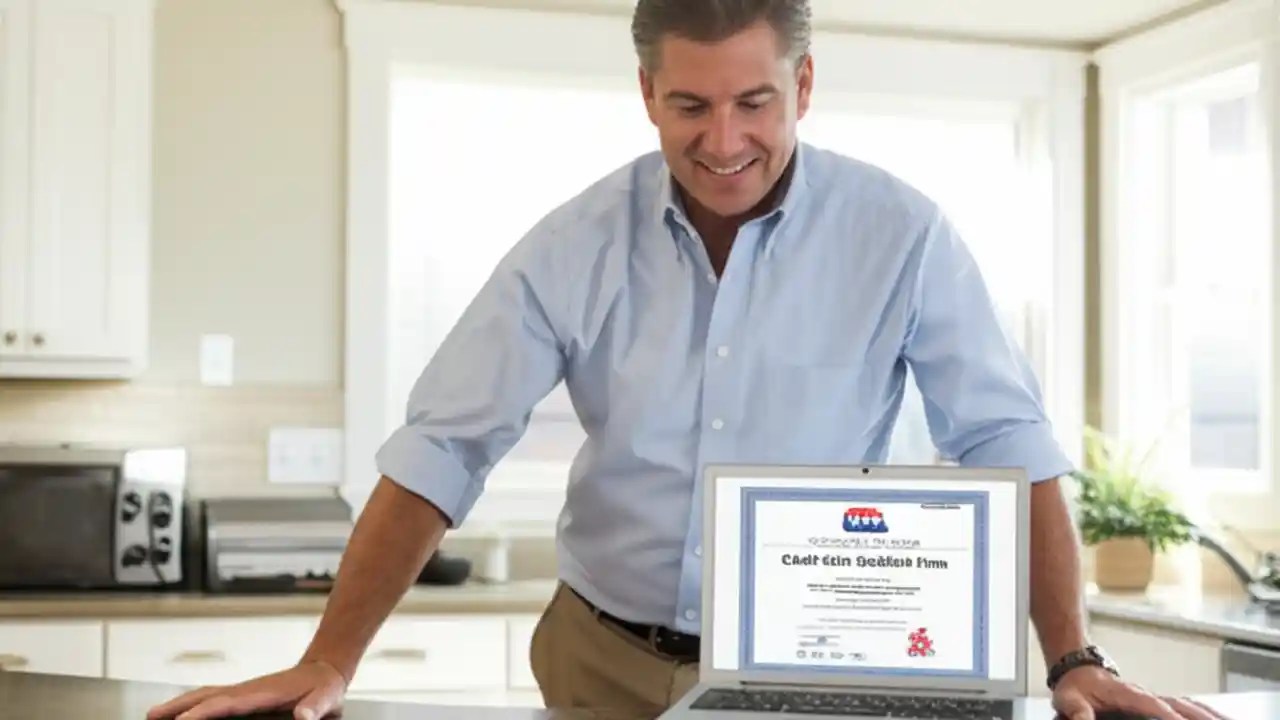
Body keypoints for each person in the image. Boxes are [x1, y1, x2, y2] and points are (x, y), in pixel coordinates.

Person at [148, 2, 1227, 720]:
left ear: (802, 88)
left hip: (812, 670)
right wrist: (330, 659)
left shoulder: (901, 236)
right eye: (690, 104)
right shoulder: (573, 244)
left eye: (753, 101)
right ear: (645, 95)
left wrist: (1073, 658)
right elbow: (443, 446)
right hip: (600, 659)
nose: (722, 140)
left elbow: (1005, 442)